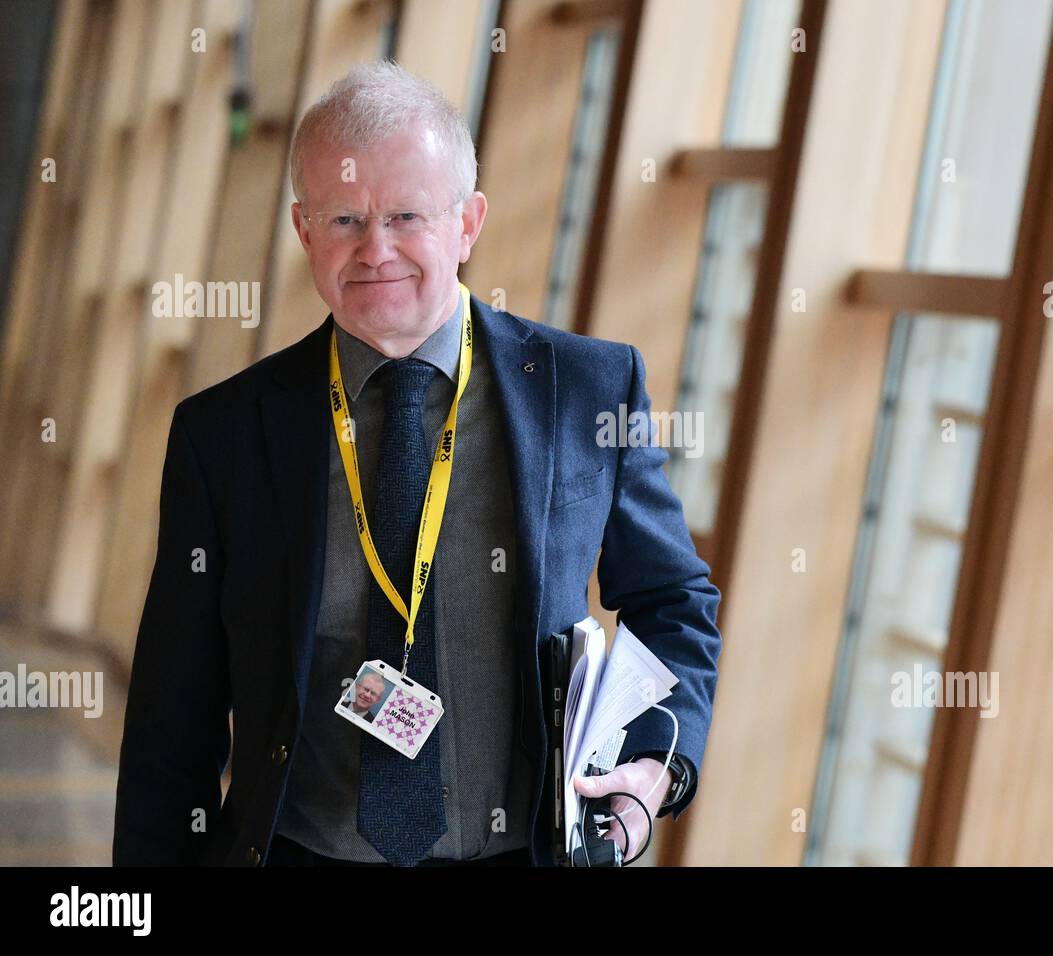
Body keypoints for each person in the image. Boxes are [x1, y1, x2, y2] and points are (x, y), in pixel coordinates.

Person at [112, 60, 722, 867]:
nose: (376, 251)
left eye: (406, 215)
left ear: (468, 223)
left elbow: (672, 600)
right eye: (343, 222)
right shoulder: (223, 436)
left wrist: (652, 772)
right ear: (302, 229)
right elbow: (172, 718)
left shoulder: (585, 392)